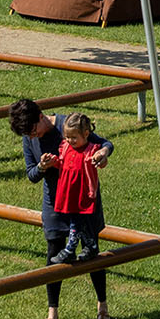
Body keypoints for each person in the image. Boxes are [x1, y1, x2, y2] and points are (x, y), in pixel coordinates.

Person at [9, 98, 114, 319]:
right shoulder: (30, 137)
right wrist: (43, 167)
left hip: (83, 200)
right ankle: (52, 315)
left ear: (41, 116)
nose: (33, 137)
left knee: (91, 252)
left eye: (34, 131)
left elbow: (104, 143)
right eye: (29, 135)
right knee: (53, 252)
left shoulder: (69, 125)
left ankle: (103, 308)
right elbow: (31, 174)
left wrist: (103, 154)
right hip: (55, 202)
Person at [48, 112, 109, 266]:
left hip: (82, 194)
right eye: (67, 137)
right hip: (68, 192)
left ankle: (70, 249)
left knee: (76, 222)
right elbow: (62, 163)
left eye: (74, 137)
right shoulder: (66, 147)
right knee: (77, 223)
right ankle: (91, 245)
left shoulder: (90, 150)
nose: (70, 140)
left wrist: (100, 158)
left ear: (86, 134)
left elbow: (100, 162)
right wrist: (53, 161)